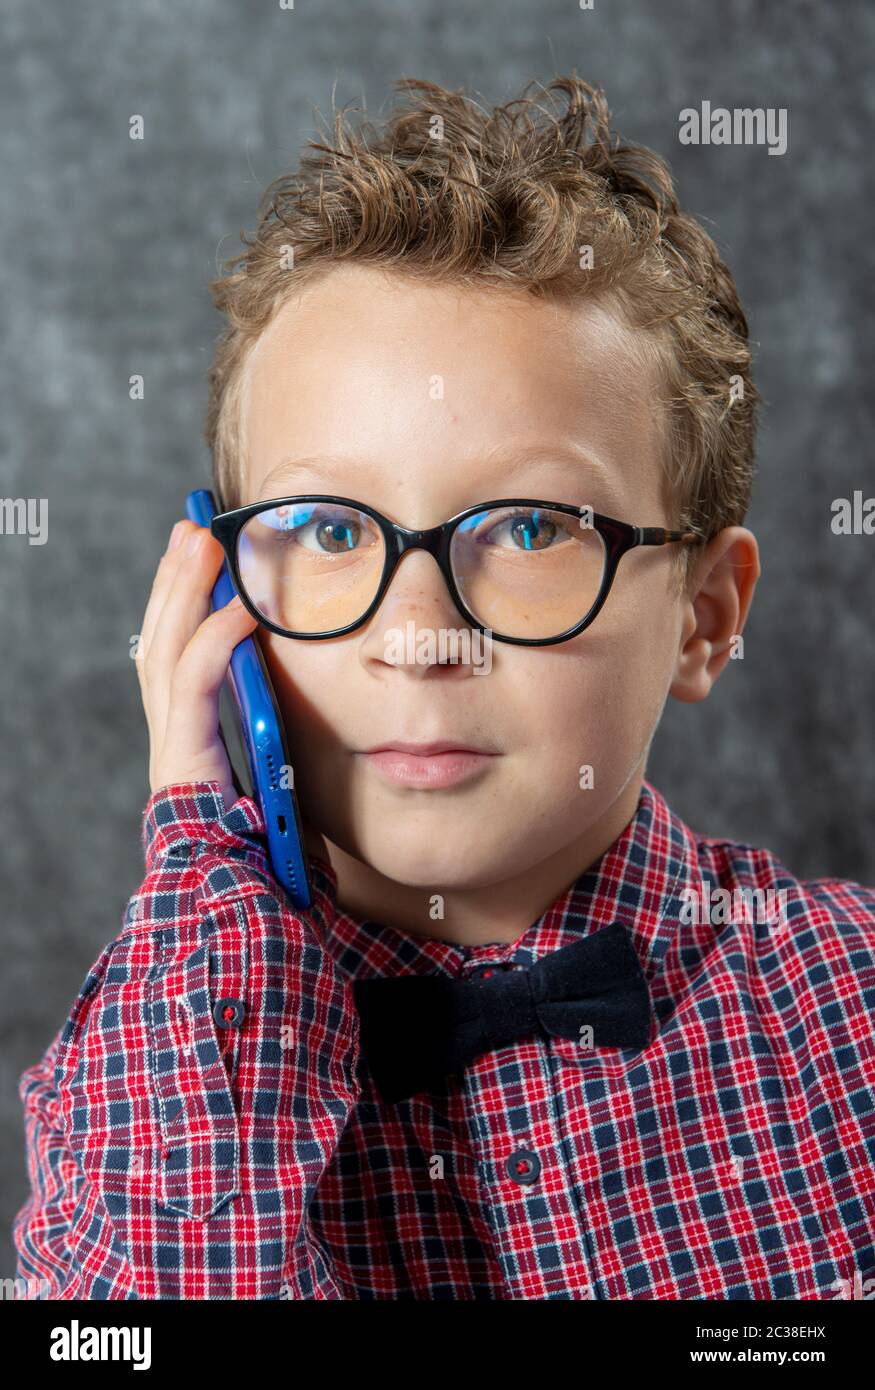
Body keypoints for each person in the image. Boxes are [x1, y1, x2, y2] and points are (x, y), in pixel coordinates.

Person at [13, 75, 875, 1300]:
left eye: (526, 531)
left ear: (702, 618)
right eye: (325, 531)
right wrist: (205, 867)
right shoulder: (145, 1080)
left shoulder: (853, 1003)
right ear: (211, 594)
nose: (417, 638)